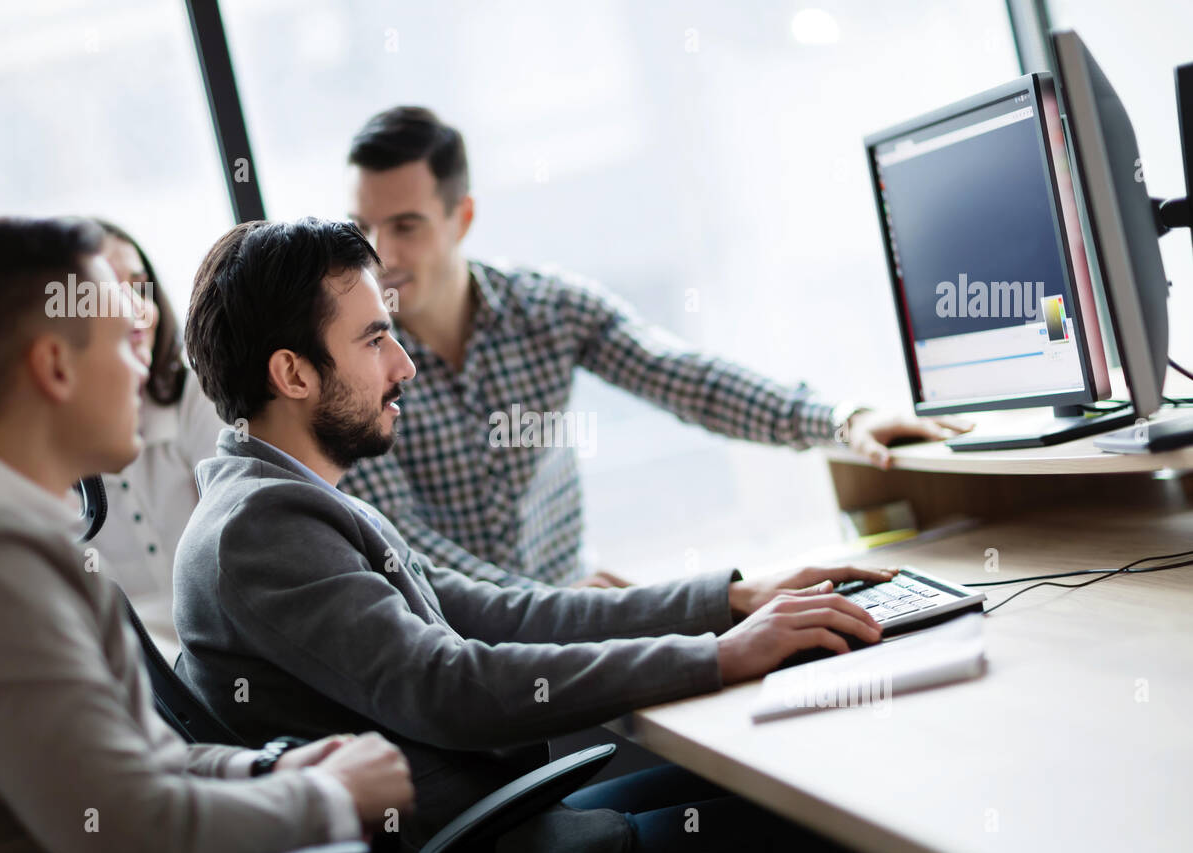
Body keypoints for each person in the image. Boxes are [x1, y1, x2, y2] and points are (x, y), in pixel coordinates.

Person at [175, 216, 897, 853]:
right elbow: (448, 687)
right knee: (833, 822)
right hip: (487, 848)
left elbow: (503, 612)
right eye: (373, 339)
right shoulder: (260, 530)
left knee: (792, 780)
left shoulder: (289, 498)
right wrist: (723, 655)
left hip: (500, 823)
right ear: (293, 372)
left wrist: (731, 601)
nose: (404, 364)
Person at [0, 216, 413, 853]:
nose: (145, 363)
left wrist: (268, 772)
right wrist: (329, 798)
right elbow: (125, 831)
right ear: (54, 366)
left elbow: (126, 766)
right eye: (122, 340)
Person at [338, 106, 974, 588]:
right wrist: (560, 606)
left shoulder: (548, 309)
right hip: (466, 662)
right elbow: (403, 546)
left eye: (406, 227)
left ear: (463, 218)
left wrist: (841, 419)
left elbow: (686, 378)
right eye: (364, 227)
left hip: (570, 636)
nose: (382, 254)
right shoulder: (355, 361)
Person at [91, 220, 227, 662]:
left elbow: (239, 549)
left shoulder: (195, 397)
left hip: (224, 644)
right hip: (133, 665)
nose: (139, 310)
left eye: (139, 286)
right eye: (111, 292)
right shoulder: (46, 446)